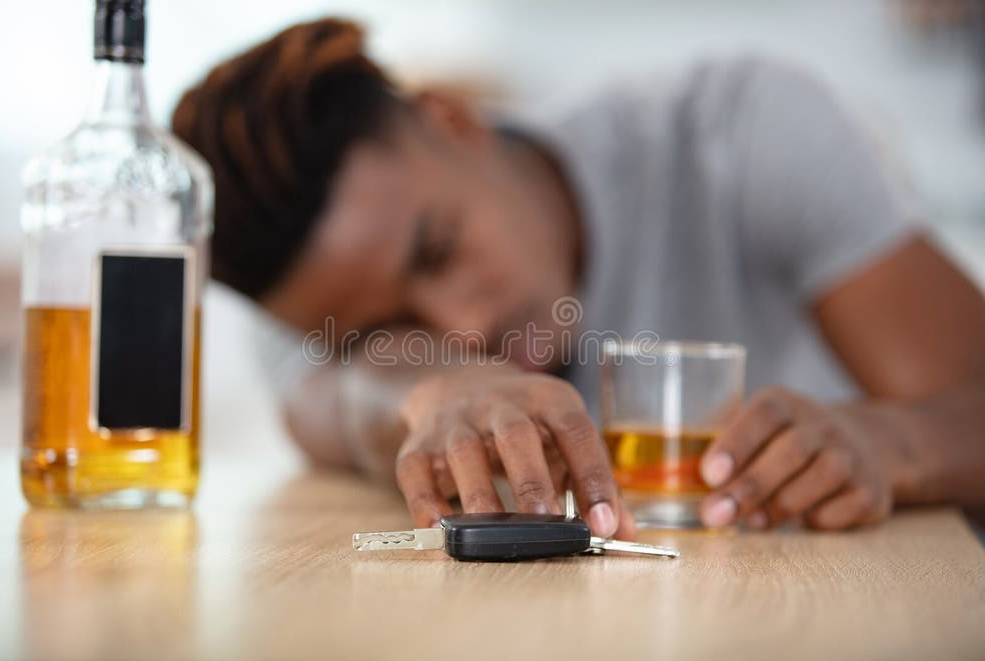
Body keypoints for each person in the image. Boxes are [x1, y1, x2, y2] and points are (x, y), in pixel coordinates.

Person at [172, 18, 985, 538]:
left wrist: (891, 443)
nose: (461, 327)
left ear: (453, 118)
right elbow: (340, 399)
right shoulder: (298, 292)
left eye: (438, 249)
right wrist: (432, 389)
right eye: (389, 326)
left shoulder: (743, 131)